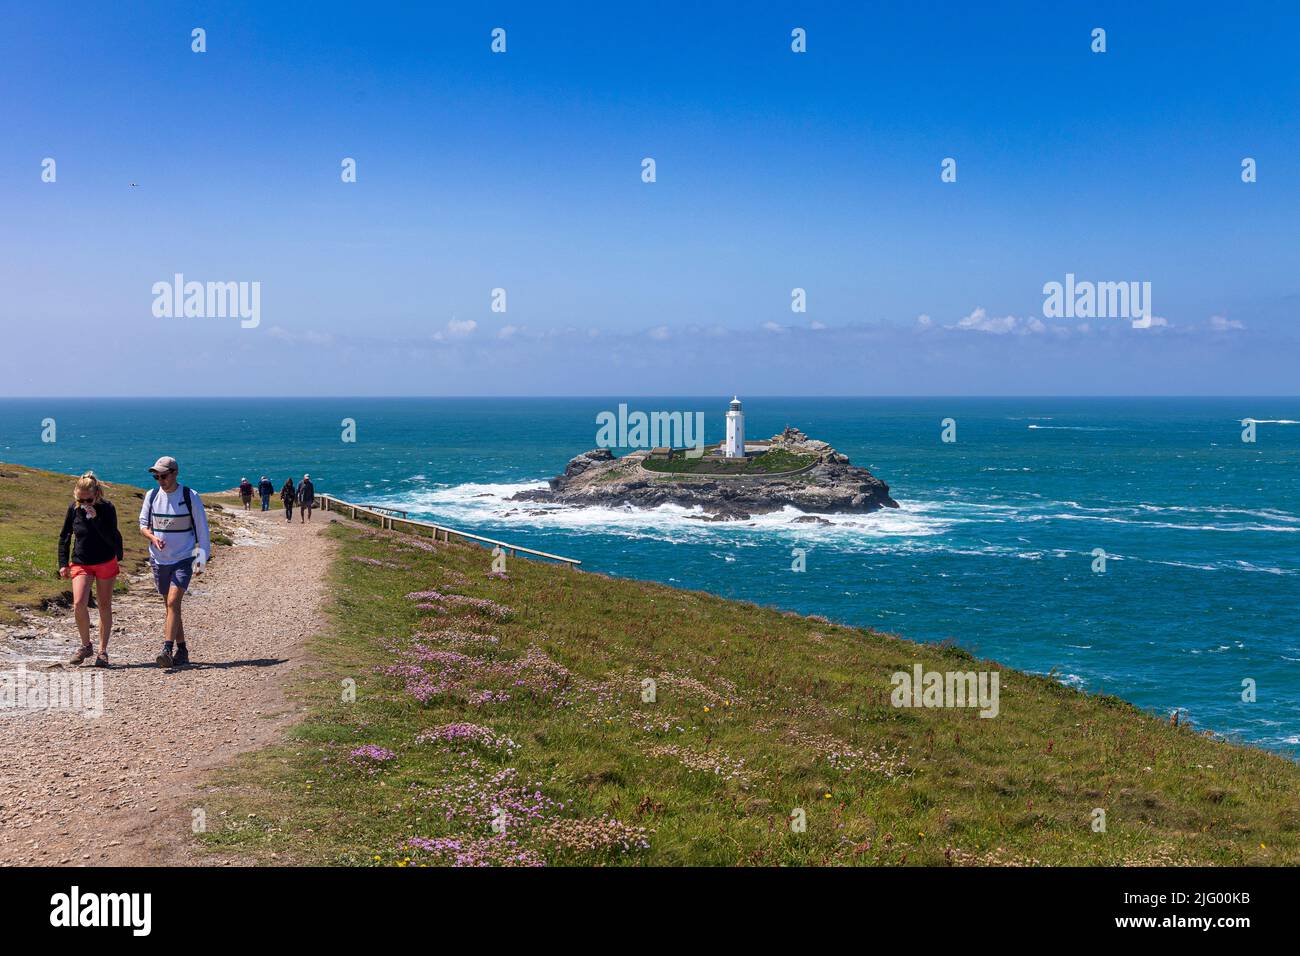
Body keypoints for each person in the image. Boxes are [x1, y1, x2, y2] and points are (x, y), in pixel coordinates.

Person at [139, 456, 211, 669]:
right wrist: (152, 538)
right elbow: (143, 524)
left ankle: (167, 650)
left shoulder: (190, 496)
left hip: (184, 558)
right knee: (171, 606)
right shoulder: (151, 496)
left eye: (164, 475)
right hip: (159, 560)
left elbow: (202, 531)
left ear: (175, 473)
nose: (160, 480)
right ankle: (183, 650)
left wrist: (201, 560)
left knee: (172, 602)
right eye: (156, 476)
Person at [57, 472, 123, 667]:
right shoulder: (73, 509)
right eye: (80, 499)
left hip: (105, 560)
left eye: (89, 499)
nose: (85, 502)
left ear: (97, 494)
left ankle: (102, 652)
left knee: (104, 605)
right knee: (78, 603)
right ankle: (86, 645)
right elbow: (64, 536)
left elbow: (113, 539)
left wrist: (96, 520)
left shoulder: (107, 508)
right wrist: (62, 563)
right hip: (81, 561)